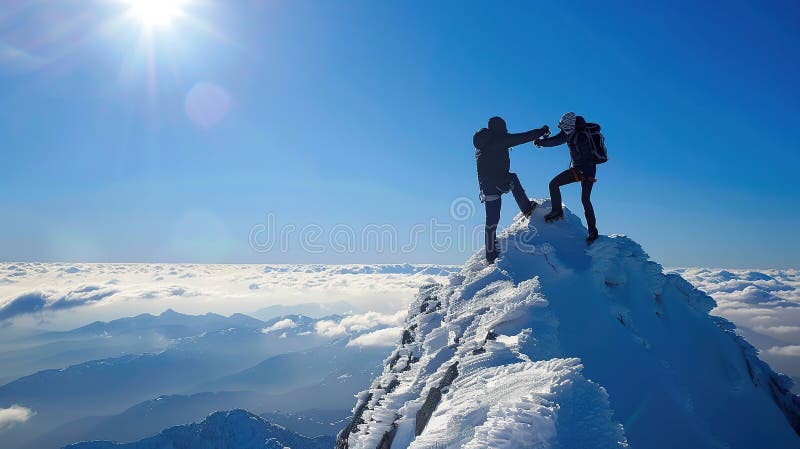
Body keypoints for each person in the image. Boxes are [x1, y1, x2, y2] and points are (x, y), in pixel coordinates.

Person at [474, 117, 549, 263]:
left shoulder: (481, 145)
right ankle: (527, 208)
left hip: (487, 188)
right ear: (500, 127)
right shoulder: (498, 139)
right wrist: (541, 131)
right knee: (512, 177)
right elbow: (523, 137)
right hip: (499, 182)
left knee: (492, 221)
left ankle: (490, 256)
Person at [534, 112, 600, 244]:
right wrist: (541, 142)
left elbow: (587, 158)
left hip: (585, 171)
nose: (562, 130)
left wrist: (586, 176)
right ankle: (558, 212)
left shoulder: (580, 136)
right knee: (582, 198)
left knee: (579, 196)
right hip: (581, 169)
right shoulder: (570, 132)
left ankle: (591, 232)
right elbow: (556, 140)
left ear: (570, 126)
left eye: (564, 128)